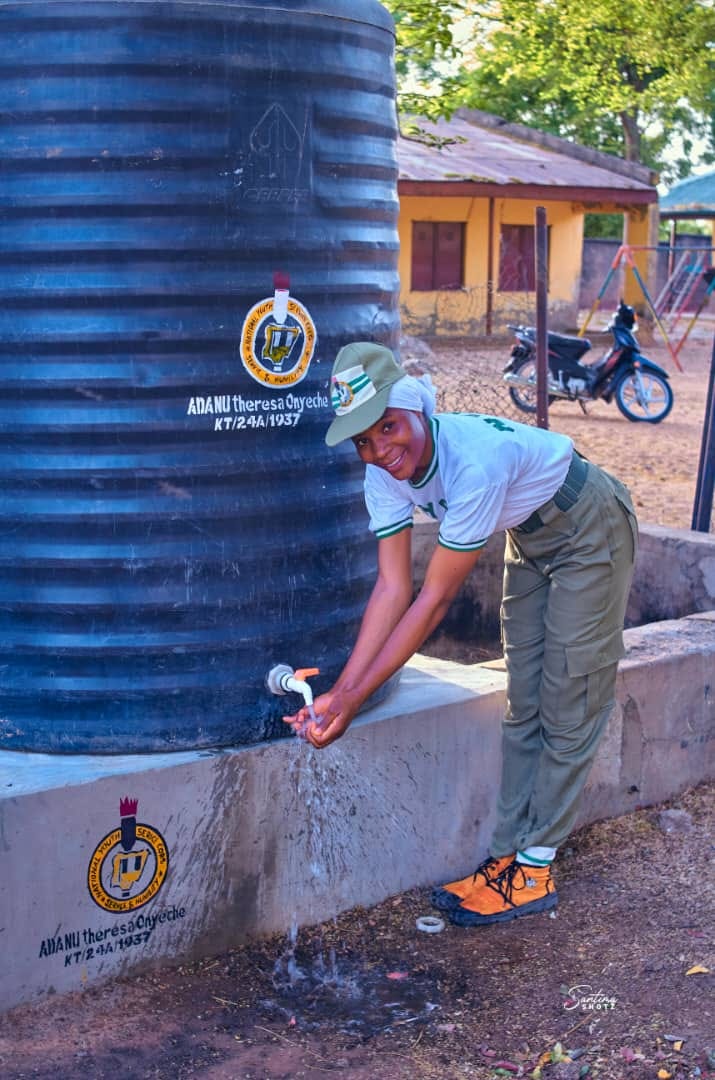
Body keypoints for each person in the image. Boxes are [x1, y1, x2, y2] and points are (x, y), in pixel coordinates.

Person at [284, 341, 638, 927]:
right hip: (528, 538)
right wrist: (342, 693)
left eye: (389, 428)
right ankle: (507, 857)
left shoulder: (473, 462)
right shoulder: (384, 475)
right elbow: (392, 589)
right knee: (523, 700)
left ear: (416, 411)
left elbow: (433, 599)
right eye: (363, 441)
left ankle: (536, 865)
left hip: (587, 526)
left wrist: (352, 699)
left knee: (569, 695)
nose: (381, 450)